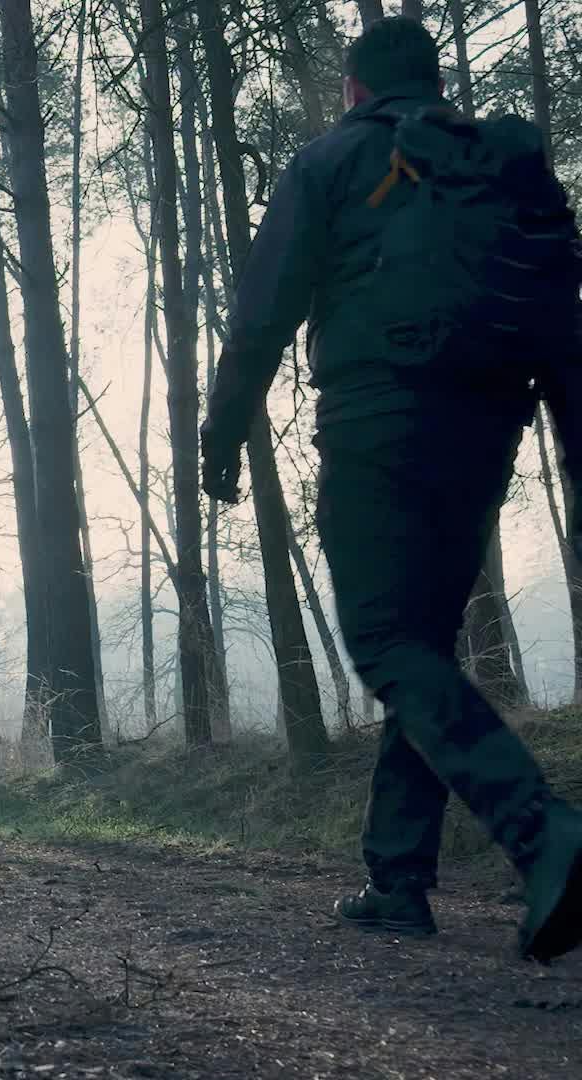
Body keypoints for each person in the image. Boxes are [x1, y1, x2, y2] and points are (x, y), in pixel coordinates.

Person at [200, 15, 582, 962]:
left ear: (354, 89)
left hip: (377, 414)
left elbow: (260, 319)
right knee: (421, 642)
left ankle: (543, 832)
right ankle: (397, 879)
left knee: (380, 638)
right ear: (435, 83)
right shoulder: (499, 163)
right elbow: (563, 306)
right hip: (488, 420)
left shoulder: (330, 161)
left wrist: (219, 440)